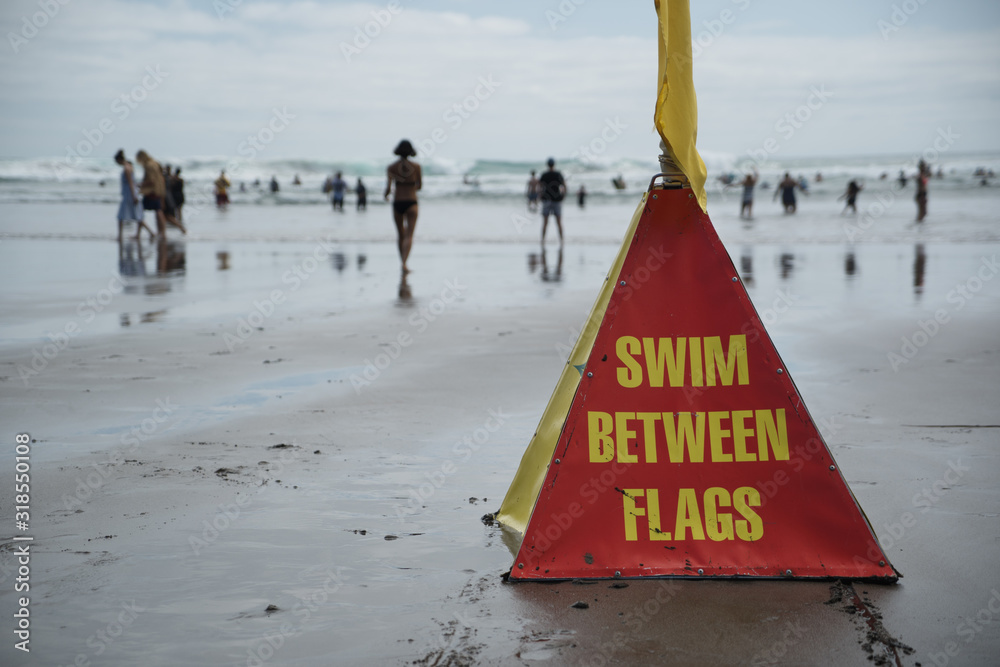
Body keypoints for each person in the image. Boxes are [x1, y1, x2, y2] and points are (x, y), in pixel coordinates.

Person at [384, 139, 422, 273]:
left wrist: (386, 195)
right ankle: (405, 263)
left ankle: (402, 262)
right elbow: (420, 186)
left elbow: (388, 189)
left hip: (398, 202)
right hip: (412, 201)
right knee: (409, 235)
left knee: (400, 235)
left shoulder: (391, 167)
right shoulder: (416, 167)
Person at [136, 150, 185, 235]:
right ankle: (162, 233)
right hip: (160, 192)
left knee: (142, 212)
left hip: (152, 192)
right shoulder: (155, 163)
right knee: (161, 213)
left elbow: (151, 180)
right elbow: (160, 179)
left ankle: (152, 233)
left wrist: (141, 185)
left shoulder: (149, 165)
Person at [114, 149, 155, 242]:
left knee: (122, 215)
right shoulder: (129, 166)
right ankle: (148, 233)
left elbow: (130, 183)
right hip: (131, 193)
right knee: (137, 215)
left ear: (119, 160)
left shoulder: (127, 168)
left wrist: (134, 196)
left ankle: (120, 236)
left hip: (130, 194)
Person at [539, 158, 566, 244]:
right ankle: (561, 240)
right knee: (558, 222)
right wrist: (563, 196)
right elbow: (564, 186)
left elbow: (539, 187)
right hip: (557, 200)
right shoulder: (558, 174)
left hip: (546, 200)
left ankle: (543, 240)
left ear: (547, 165)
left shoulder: (544, 174)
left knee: (545, 222)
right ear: (554, 164)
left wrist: (540, 196)